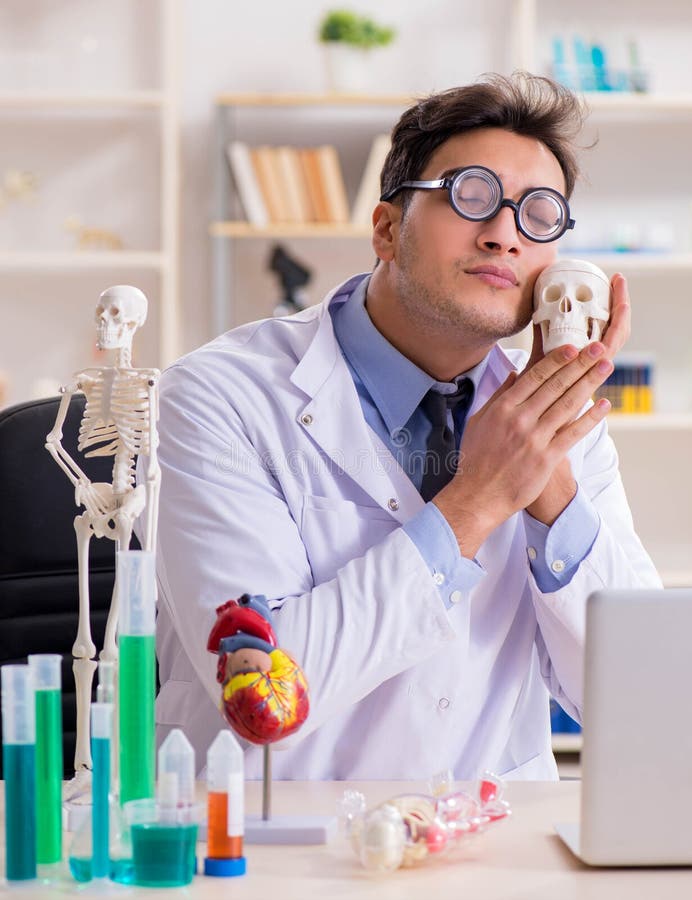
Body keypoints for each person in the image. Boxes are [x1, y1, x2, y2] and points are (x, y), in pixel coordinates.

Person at [150, 72, 661, 781]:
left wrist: (549, 485)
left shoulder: (560, 424)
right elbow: (269, 698)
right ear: (388, 229)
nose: (505, 236)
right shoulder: (217, 397)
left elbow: (638, 697)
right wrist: (477, 501)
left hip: (489, 846)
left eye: (540, 213)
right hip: (282, 847)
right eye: (470, 195)